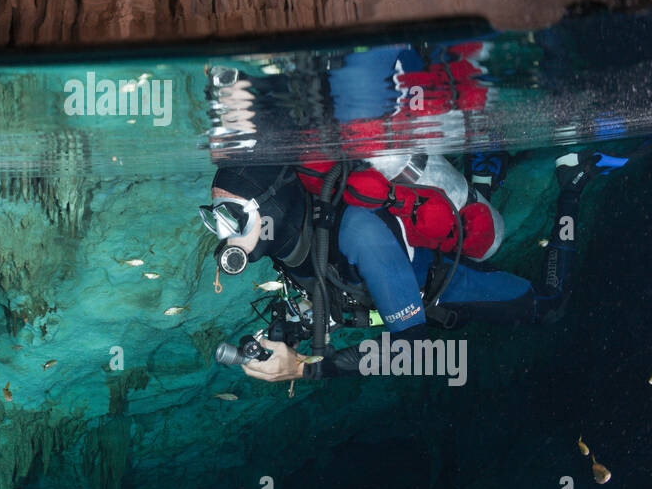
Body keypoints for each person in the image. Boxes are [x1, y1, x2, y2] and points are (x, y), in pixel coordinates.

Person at [199, 149, 626, 384]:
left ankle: (571, 185)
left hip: (446, 284)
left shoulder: (360, 234)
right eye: (213, 217)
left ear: (272, 208)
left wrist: (303, 368)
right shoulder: (286, 240)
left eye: (229, 216)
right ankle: (483, 173)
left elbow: (415, 349)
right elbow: (327, 291)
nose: (223, 234)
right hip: (394, 280)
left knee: (550, 306)